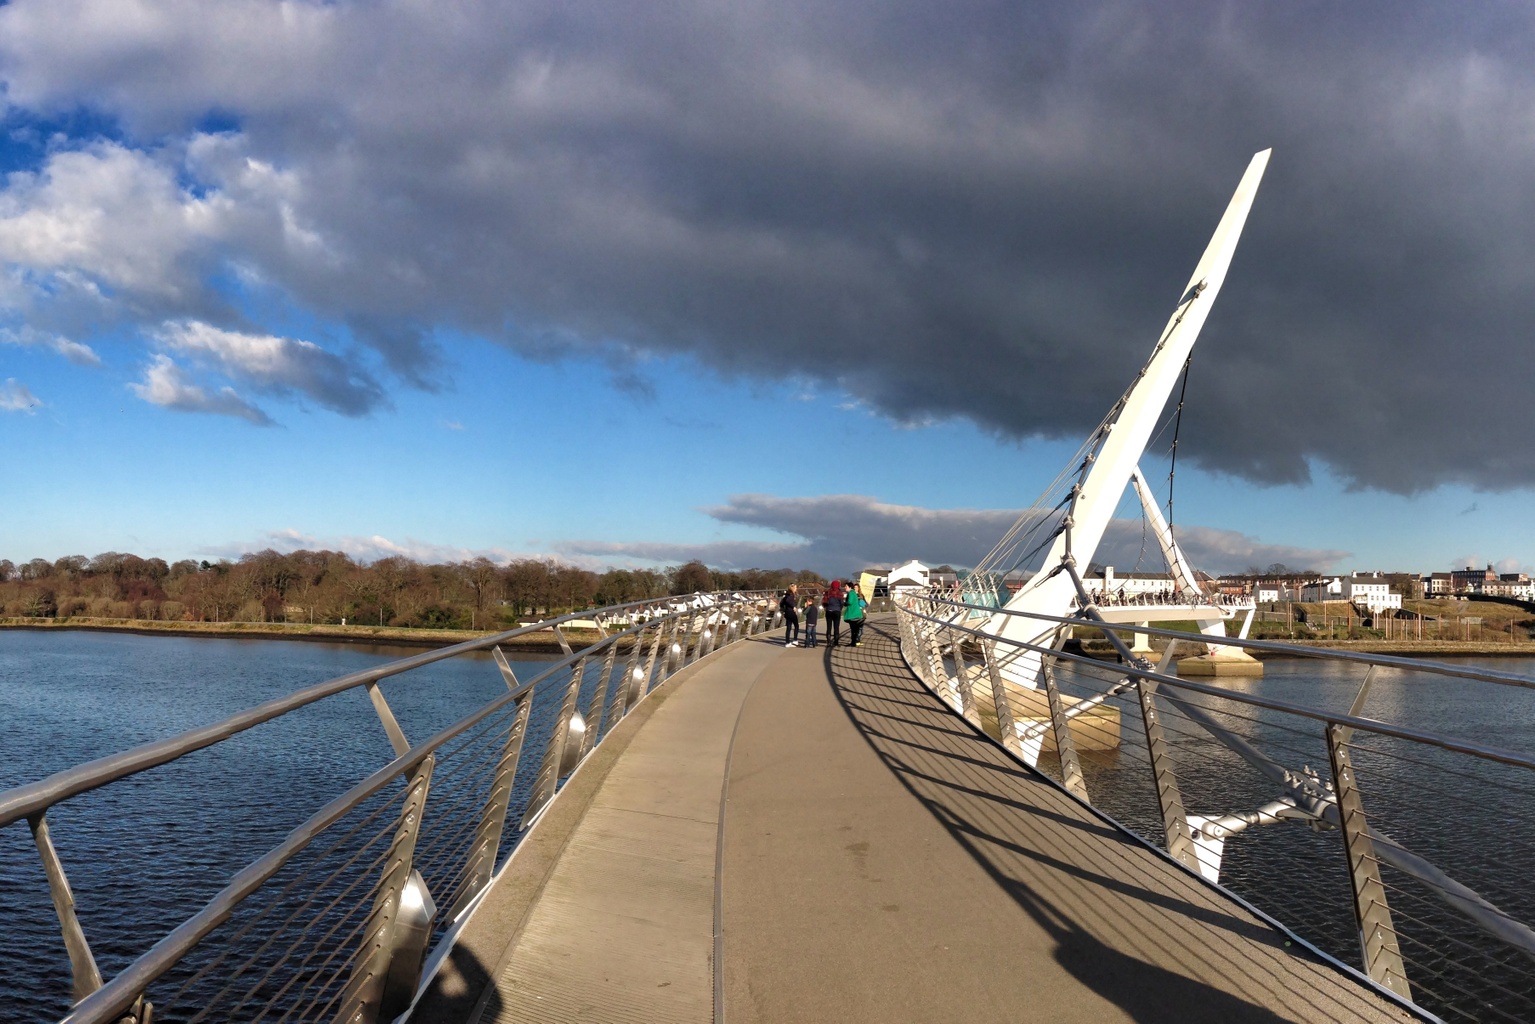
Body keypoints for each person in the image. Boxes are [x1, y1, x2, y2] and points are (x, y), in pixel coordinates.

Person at [824, 579, 845, 646]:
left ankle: (828, 641)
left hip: (829, 611)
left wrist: (826, 608)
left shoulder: (828, 592)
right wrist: (840, 608)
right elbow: (842, 603)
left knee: (829, 626)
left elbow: (824, 602)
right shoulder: (840, 593)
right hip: (837, 611)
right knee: (836, 627)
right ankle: (836, 641)